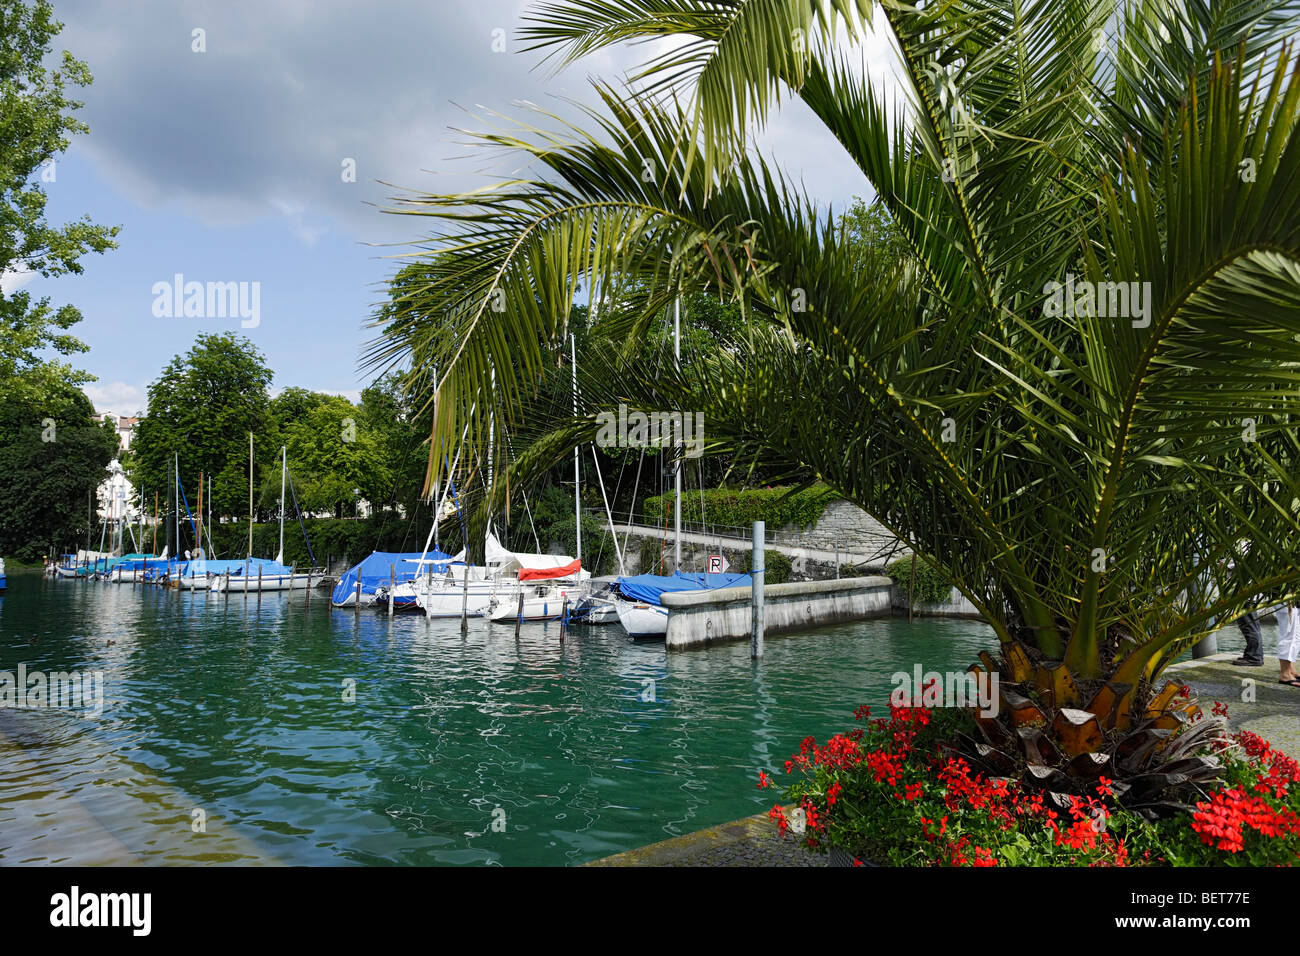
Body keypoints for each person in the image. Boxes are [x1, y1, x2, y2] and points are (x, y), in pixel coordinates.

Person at [1276, 603, 1300, 687]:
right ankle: (1285, 674)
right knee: (1289, 635)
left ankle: (1291, 671)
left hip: (1295, 602)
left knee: (1296, 635)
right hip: (1286, 601)